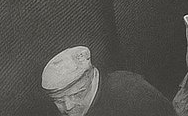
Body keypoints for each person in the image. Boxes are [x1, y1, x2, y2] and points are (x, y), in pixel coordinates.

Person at [40, 45, 175, 116]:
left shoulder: (131, 91)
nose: (68, 106)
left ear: (91, 78)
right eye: (59, 101)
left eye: (77, 94)